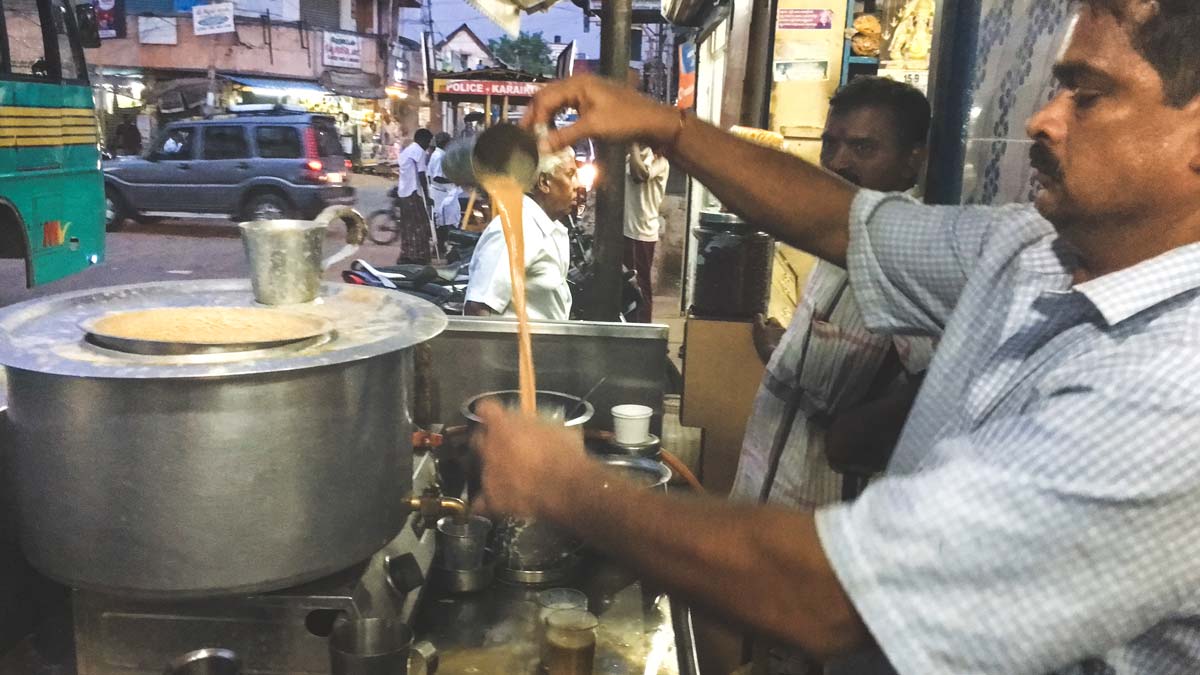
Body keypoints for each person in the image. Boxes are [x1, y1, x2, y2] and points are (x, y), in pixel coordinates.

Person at [474, 2, 1200, 673]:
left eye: (1088, 93)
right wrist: (668, 127)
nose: (1043, 119)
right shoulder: (1031, 252)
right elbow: (842, 220)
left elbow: (838, 594)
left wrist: (570, 486)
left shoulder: (1178, 390)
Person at [729, 77, 935, 675]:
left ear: (913, 162)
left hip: (824, 550)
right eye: (832, 143)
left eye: (864, 148)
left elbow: (938, 387)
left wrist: (853, 432)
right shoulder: (837, 240)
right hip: (773, 520)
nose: (840, 162)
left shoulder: (906, 258)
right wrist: (783, 355)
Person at [463, 148, 579, 321]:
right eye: (570, 175)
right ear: (544, 182)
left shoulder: (549, 227)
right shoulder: (517, 230)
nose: (578, 184)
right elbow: (478, 307)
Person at [623, 143, 670, 323]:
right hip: (626, 228)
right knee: (626, 285)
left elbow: (639, 174)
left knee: (640, 286)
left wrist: (632, 144)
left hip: (641, 232)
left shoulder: (659, 158)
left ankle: (643, 329)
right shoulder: (630, 154)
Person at [396, 128, 433, 264]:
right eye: (428, 141)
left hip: (404, 192)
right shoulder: (419, 151)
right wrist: (428, 196)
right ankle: (418, 256)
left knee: (408, 226)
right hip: (412, 193)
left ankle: (407, 254)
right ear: (422, 139)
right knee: (420, 225)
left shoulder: (407, 151)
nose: (428, 144)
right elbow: (422, 174)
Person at [426, 132, 455, 226]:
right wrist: (453, 180)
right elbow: (437, 177)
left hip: (439, 191)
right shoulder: (439, 156)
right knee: (440, 222)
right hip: (439, 193)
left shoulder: (438, 154)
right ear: (445, 143)